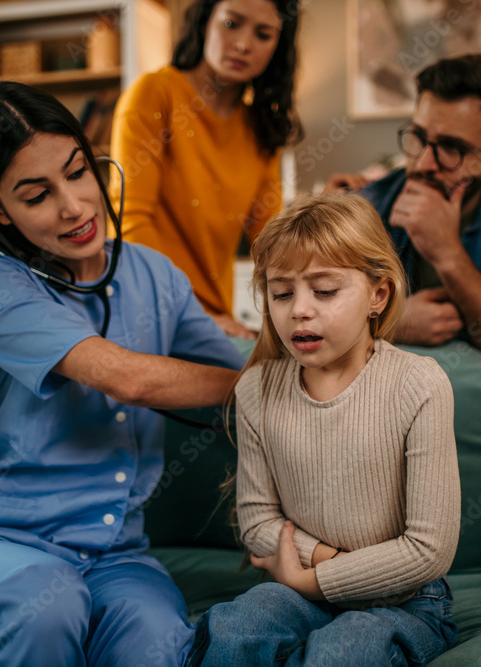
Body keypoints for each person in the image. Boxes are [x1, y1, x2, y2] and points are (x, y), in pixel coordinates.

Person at [0, 80, 246, 667]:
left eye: (78, 172)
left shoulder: (155, 275)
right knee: (44, 604)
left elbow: (242, 369)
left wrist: (325, 347)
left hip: (115, 559)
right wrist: (258, 385)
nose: (75, 206)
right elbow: (126, 379)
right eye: (37, 195)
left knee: (155, 643)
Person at [187, 193, 461, 665]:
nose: (299, 310)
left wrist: (311, 579)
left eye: (325, 290)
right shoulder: (257, 388)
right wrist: (322, 565)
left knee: (344, 648)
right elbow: (257, 523)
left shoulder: (420, 384)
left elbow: (428, 551)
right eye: (282, 293)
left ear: (378, 295)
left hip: (406, 602)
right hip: (299, 590)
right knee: (235, 626)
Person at [327, 54, 481, 369]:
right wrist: (392, 323)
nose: (422, 164)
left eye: (452, 148)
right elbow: (311, 319)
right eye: (418, 137)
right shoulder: (370, 205)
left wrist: (449, 255)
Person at [110, 0, 303, 340]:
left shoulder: (262, 128)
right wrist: (193, 314)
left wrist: (319, 217)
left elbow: (269, 241)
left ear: (278, 46)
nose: (243, 44)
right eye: (231, 24)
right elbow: (130, 221)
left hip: (217, 320)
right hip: (148, 311)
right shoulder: (155, 94)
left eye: (263, 34)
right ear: (204, 21)